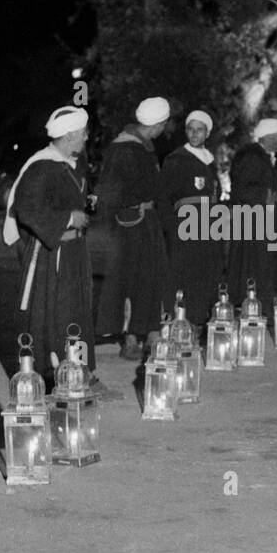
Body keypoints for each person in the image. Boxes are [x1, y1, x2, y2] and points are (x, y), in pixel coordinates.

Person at [3, 105, 96, 391]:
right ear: (69, 136)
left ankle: (78, 369)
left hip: (74, 253)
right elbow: (26, 209)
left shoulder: (71, 163)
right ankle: (51, 372)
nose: (85, 139)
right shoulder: (41, 166)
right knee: (53, 314)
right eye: (82, 134)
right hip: (50, 255)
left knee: (76, 311)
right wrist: (68, 218)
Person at [94, 96, 173, 361]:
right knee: (131, 278)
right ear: (158, 124)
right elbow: (112, 191)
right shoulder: (125, 149)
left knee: (152, 276)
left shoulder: (142, 147)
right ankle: (130, 338)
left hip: (146, 222)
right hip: (131, 224)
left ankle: (151, 331)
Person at [159, 110, 225, 327]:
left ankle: (201, 320)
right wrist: (171, 228)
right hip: (185, 228)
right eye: (191, 129)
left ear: (207, 133)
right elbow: (163, 197)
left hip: (210, 227)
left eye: (200, 130)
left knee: (207, 272)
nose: (195, 134)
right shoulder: (176, 160)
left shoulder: (210, 161)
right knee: (185, 274)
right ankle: (181, 322)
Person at [226, 117, 277, 308]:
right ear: (269, 136)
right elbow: (241, 189)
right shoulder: (252, 156)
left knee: (259, 263)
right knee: (251, 264)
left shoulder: (261, 155)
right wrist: (266, 195)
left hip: (259, 219)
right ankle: (250, 302)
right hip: (251, 221)